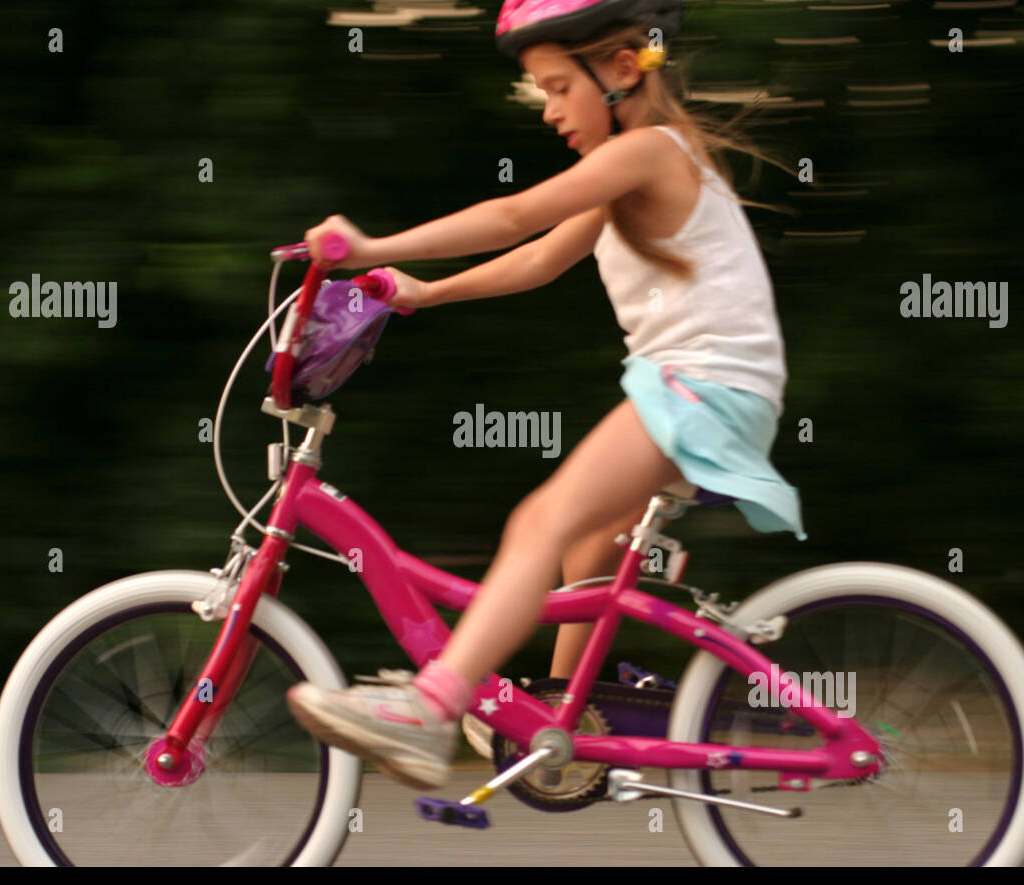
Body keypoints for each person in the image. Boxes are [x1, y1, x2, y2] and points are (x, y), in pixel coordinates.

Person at [286, 0, 807, 791]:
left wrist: (372, 246)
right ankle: (568, 714)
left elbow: (513, 213)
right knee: (580, 544)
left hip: (700, 389)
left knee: (538, 520)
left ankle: (431, 708)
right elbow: (535, 259)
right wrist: (424, 294)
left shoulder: (648, 152)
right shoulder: (630, 172)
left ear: (624, 70)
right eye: (542, 92)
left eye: (560, 87)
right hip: (709, 389)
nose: (551, 110)